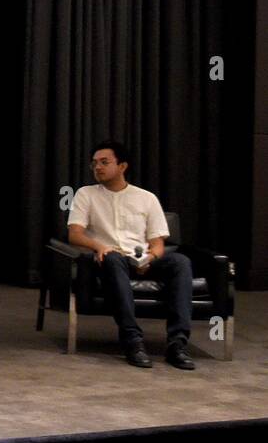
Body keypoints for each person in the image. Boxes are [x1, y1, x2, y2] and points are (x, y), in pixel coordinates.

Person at [67, 140, 195, 370]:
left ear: (122, 166)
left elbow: (157, 243)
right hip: (109, 259)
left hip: (142, 257)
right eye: (94, 163)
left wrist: (150, 258)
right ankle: (133, 341)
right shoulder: (86, 194)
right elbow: (75, 234)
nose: (98, 167)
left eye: (104, 162)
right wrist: (99, 246)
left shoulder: (147, 198)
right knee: (112, 258)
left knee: (180, 261)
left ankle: (177, 344)